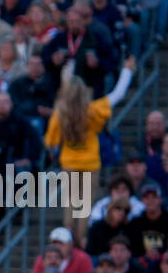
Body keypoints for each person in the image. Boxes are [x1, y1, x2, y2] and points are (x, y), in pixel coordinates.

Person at [45, 57, 136, 233]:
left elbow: (51, 142)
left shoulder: (59, 114)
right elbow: (118, 94)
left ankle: (68, 239)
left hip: (70, 162)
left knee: (70, 204)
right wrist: (127, 71)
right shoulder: (93, 110)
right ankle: (82, 240)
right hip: (90, 162)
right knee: (85, 206)